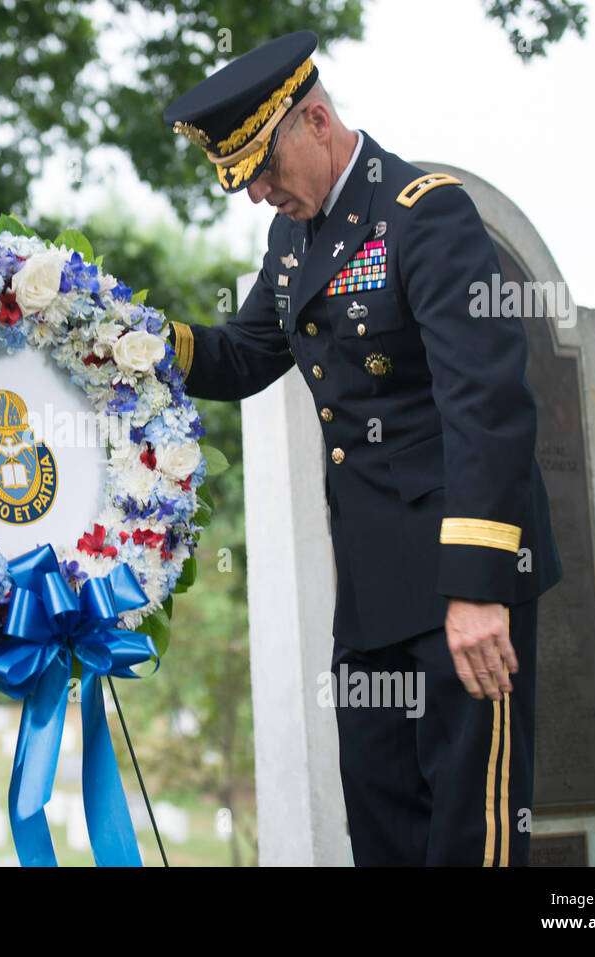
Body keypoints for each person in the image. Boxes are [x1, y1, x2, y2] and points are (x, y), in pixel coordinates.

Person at [162, 31, 562, 865]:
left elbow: (485, 404)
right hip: (373, 591)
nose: (258, 194)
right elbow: (241, 355)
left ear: (315, 118)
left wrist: (479, 589)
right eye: (243, 181)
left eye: (264, 170)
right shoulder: (291, 241)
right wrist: (126, 343)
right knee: (384, 832)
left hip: (462, 581)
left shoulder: (424, 211)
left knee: (471, 835)